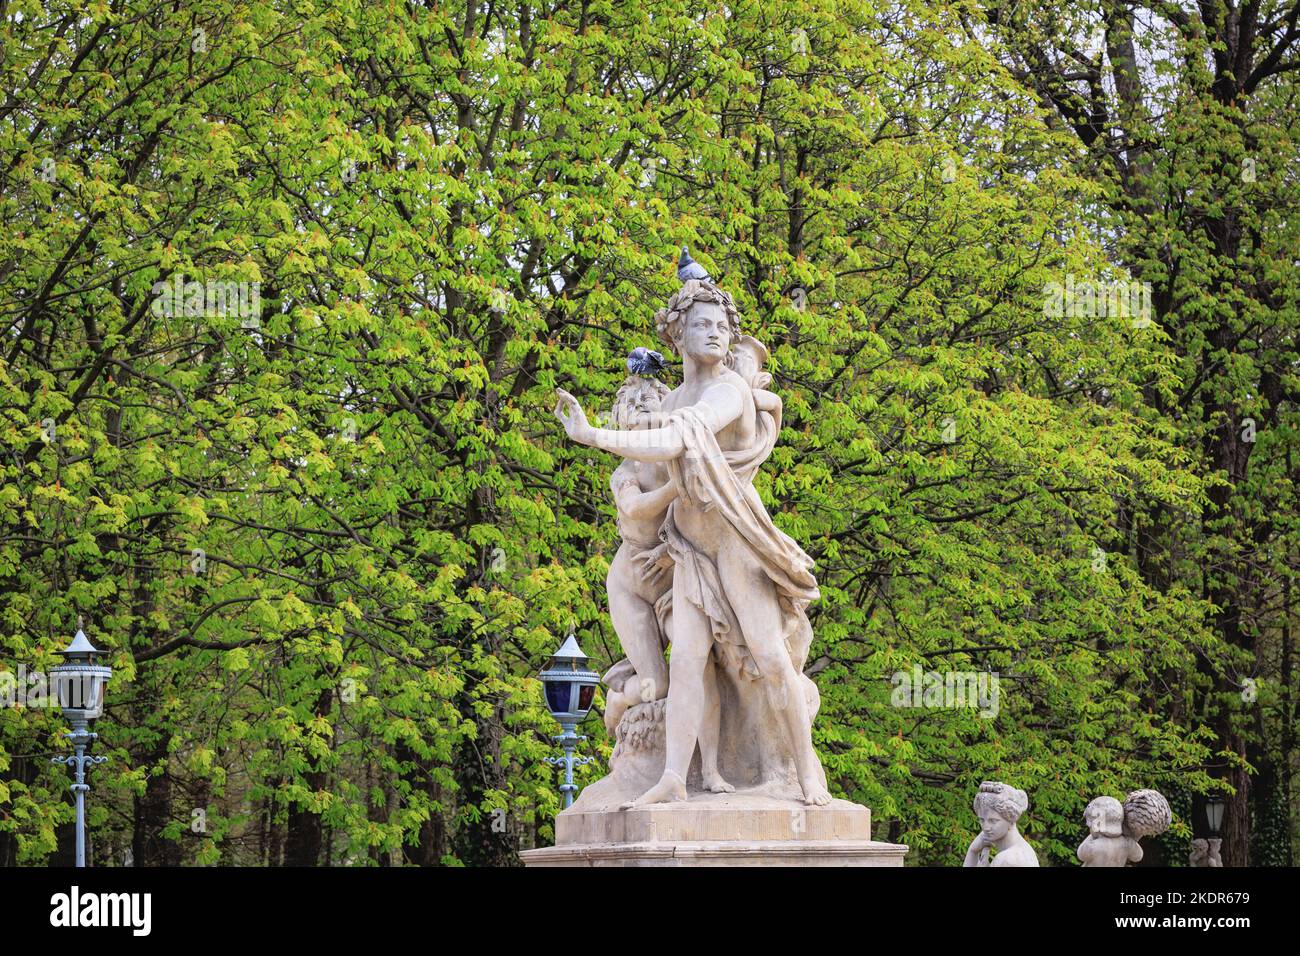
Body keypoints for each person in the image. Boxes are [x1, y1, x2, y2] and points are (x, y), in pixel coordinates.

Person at [555, 278, 830, 807]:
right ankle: (675, 777)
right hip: (688, 546)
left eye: (724, 327)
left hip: (734, 544)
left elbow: (681, 439)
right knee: (685, 661)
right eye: (703, 324)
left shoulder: (726, 392)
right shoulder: (677, 395)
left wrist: (594, 437)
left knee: (773, 661)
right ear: (676, 333)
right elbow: (649, 451)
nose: (716, 335)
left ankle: (807, 774)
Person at [963, 781, 1039, 867]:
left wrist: (972, 852)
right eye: (982, 820)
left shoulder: (1006, 860)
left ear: (1011, 819)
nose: (986, 828)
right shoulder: (1024, 849)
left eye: (993, 821)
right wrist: (973, 851)